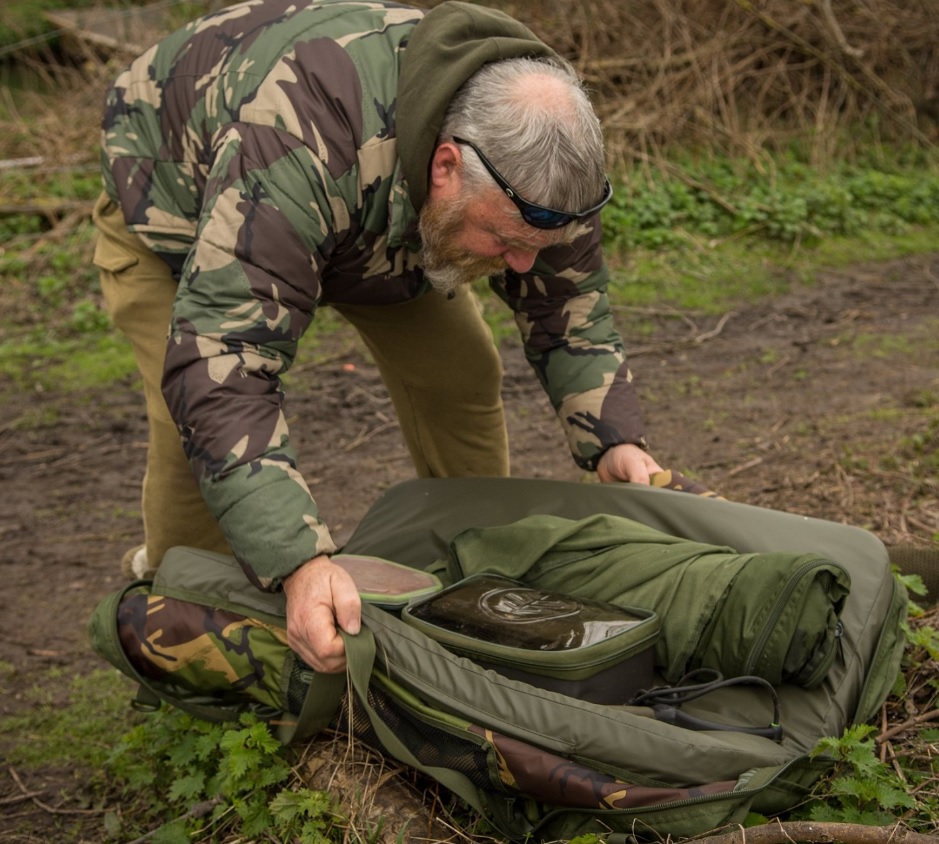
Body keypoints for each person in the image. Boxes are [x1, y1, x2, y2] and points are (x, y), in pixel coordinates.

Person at [93, 0, 664, 674]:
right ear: (446, 165)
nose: (517, 264)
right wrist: (298, 561)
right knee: (190, 426)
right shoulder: (298, 136)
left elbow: (566, 299)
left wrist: (612, 439)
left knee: (460, 373)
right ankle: (181, 617)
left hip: (382, 224)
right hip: (182, 205)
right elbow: (223, 365)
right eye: (505, 241)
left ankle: (481, 576)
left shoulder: (547, 156)